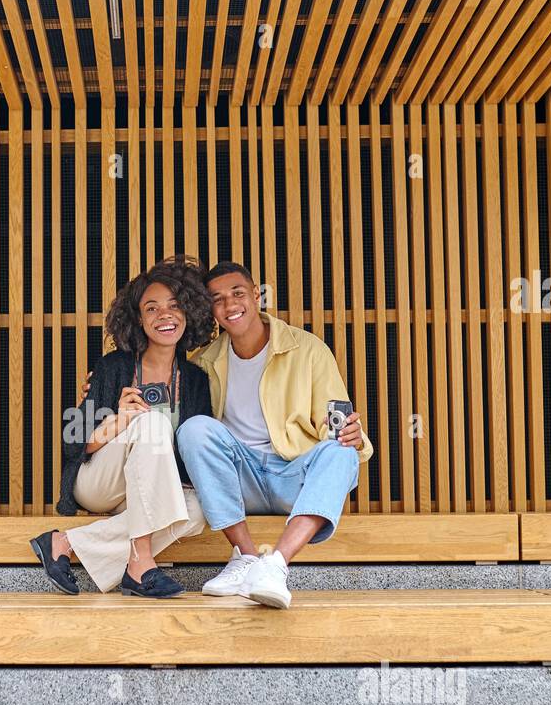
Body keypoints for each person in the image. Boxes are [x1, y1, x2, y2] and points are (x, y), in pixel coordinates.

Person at [175, 261, 372, 609]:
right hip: (239, 480)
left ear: (256, 294)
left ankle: (275, 565)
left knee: (340, 452)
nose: (230, 305)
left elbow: (334, 422)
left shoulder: (307, 349)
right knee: (194, 429)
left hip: (293, 477)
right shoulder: (204, 361)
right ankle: (247, 558)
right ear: (211, 310)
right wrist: (99, 393)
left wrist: (352, 436)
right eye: (217, 299)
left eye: (238, 293)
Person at [30, 256, 217, 598]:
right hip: (99, 482)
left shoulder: (195, 381)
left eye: (175, 305)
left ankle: (66, 543)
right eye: (151, 308)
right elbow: (73, 444)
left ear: (188, 312)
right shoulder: (113, 367)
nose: (164, 315)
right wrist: (118, 420)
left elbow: (190, 457)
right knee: (151, 425)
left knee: (196, 511)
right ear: (138, 320)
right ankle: (140, 564)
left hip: (144, 489)